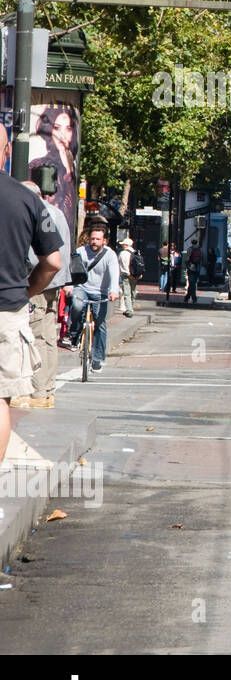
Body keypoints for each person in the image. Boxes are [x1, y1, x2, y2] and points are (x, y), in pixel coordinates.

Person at [0, 161, 63, 466]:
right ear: (6, 151)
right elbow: (52, 262)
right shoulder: (26, 199)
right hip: (7, 309)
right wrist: (27, 291)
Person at [10, 180, 69, 411]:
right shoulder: (58, 213)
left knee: (34, 335)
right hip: (56, 283)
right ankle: (48, 390)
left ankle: (36, 391)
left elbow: (37, 256)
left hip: (40, 281)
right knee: (48, 336)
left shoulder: (36, 211)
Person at [66, 227, 120, 372]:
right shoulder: (81, 252)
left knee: (100, 323)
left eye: (98, 239)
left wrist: (114, 291)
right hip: (82, 288)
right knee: (76, 305)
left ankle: (97, 358)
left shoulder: (110, 255)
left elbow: (114, 273)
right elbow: (71, 269)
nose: (94, 242)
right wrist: (69, 285)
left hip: (101, 293)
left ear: (104, 241)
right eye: (92, 239)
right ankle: (75, 333)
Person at [118, 237, 139, 318]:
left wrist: (128, 273)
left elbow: (122, 264)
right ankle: (131, 306)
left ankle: (129, 309)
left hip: (126, 275)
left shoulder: (123, 253)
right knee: (133, 291)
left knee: (126, 292)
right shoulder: (135, 252)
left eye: (123, 244)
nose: (122, 246)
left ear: (126, 245)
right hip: (135, 275)